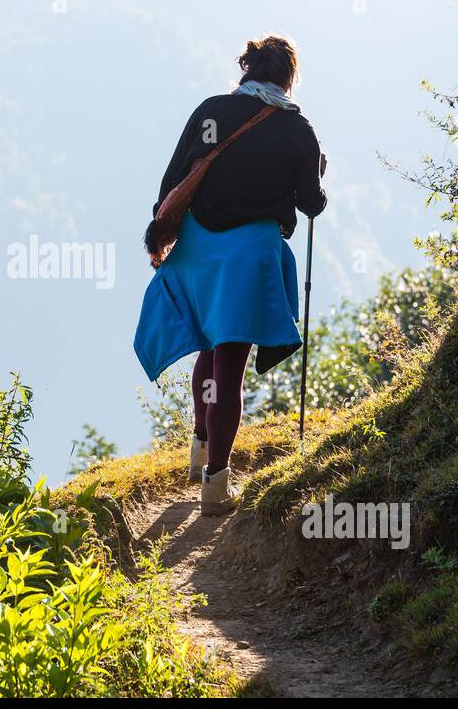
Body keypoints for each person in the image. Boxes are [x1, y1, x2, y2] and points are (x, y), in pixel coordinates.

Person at [133, 35, 327, 515]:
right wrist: (319, 174)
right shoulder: (295, 128)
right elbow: (310, 204)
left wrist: (165, 229)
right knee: (231, 363)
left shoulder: (212, 112)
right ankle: (216, 487)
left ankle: (200, 450)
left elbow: (173, 180)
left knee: (209, 347)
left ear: (247, 70)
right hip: (248, 256)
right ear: (289, 78)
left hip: (199, 248)